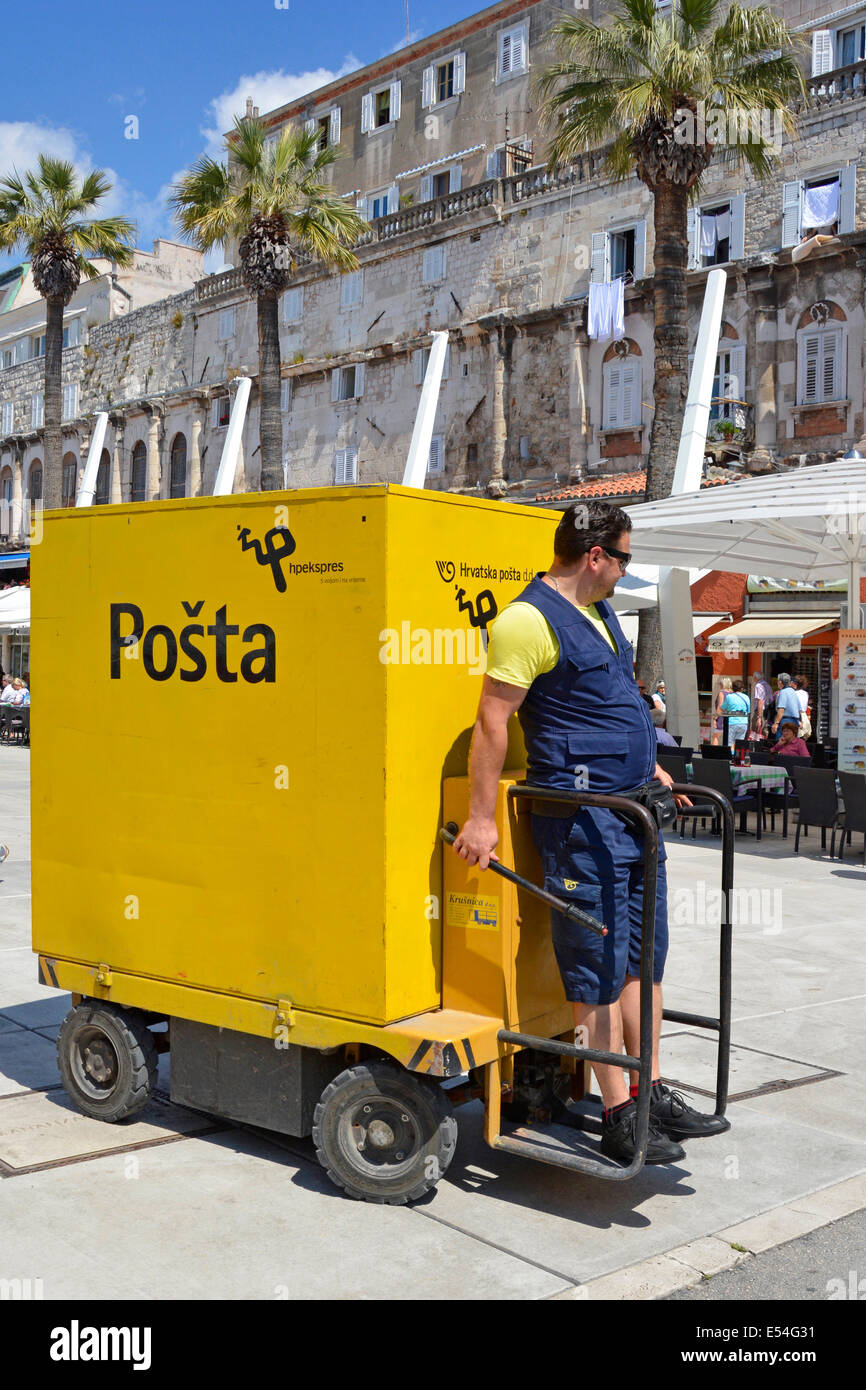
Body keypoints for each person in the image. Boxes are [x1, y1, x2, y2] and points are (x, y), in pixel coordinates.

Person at [453, 500, 729, 1167]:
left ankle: (650, 1087)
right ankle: (616, 1110)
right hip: (581, 819)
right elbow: (494, 723)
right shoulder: (527, 621)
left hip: (632, 806)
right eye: (625, 558)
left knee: (643, 956)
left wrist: (651, 766)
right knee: (597, 964)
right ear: (597, 556)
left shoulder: (601, 614)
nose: (625, 571)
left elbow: (613, 705)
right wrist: (482, 816)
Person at [721, 678, 750, 749]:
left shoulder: (729, 697)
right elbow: (748, 711)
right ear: (742, 689)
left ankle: (730, 758)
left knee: (730, 743)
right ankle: (739, 758)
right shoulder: (746, 697)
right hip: (743, 723)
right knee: (740, 744)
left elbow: (723, 708)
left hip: (732, 722)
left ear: (733, 688)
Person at [771, 673, 801, 738]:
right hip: (795, 721)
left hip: (785, 722)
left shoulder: (783, 692)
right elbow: (799, 710)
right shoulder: (794, 692)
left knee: (782, 745)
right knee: (792, 745)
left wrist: (776, 723)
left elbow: (781, 709)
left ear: (780, 682)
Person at [711, 677, 733, 746]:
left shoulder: (722, 693)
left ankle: (714, 754)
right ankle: (730, 755)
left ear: (723, 684)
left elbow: (720, 707)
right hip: (731, 717)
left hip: (721, 717)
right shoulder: (733, 693)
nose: (719, 685)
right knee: (730, 739)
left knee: (716, 736)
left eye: (720, 683)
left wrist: (715, 719)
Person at [751, 669, 773, 737]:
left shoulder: (758, 686)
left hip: (760, 711)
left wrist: (759, 716)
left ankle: (756, 746)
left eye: (753, 677)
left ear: (755, 677)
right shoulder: (768, 685)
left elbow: (760, 701)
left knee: (756, 731)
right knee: (764, 731)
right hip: (767, 710)